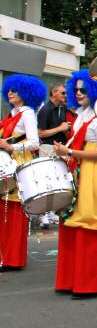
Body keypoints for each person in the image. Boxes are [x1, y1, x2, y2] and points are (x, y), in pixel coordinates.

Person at [52, 69, 97, 299]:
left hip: (93, 175)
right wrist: (65, 154)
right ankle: (70, 280)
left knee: (89, 225)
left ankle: (90, 284)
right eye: (75, 89)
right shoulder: (80, 115)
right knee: (71, 224)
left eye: (83, 89)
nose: (78, 93)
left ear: (94, 90)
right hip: (79, 172)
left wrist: (69, 151)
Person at [0, 74, 46, 270]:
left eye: (15, 90)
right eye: (9, 89)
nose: (10, 93)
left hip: (18, 164)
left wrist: (13, 148)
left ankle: (13, 258)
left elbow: (34, 142)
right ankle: (6, 255)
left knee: (15, 210)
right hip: (7, 163)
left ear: (26, 93)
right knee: (4, 210)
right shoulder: (12, 113)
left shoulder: (27, 113)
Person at [37, 82, 72, 229]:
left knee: (58, 180)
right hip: (48, 147)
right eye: (62, 93)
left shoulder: (62, 108)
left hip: (60, 147)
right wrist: (60, 128)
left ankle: (52, 211)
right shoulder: (46, 109)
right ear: (54, 93)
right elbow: (40, 133)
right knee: (46, 180)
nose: (65, 95)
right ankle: (43, 214)